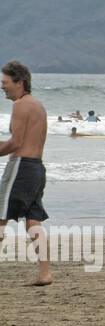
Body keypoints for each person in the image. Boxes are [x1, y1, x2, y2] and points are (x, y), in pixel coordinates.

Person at [1, 61, 53, 286]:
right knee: (33, 220)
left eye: (5, 82)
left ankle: (45, 273)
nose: (2, 87)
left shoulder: (20, 105)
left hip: (21, 166)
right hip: (36, 168)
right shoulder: (38, 106)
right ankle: (44, 273)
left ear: (19, 82)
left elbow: (16, 143)